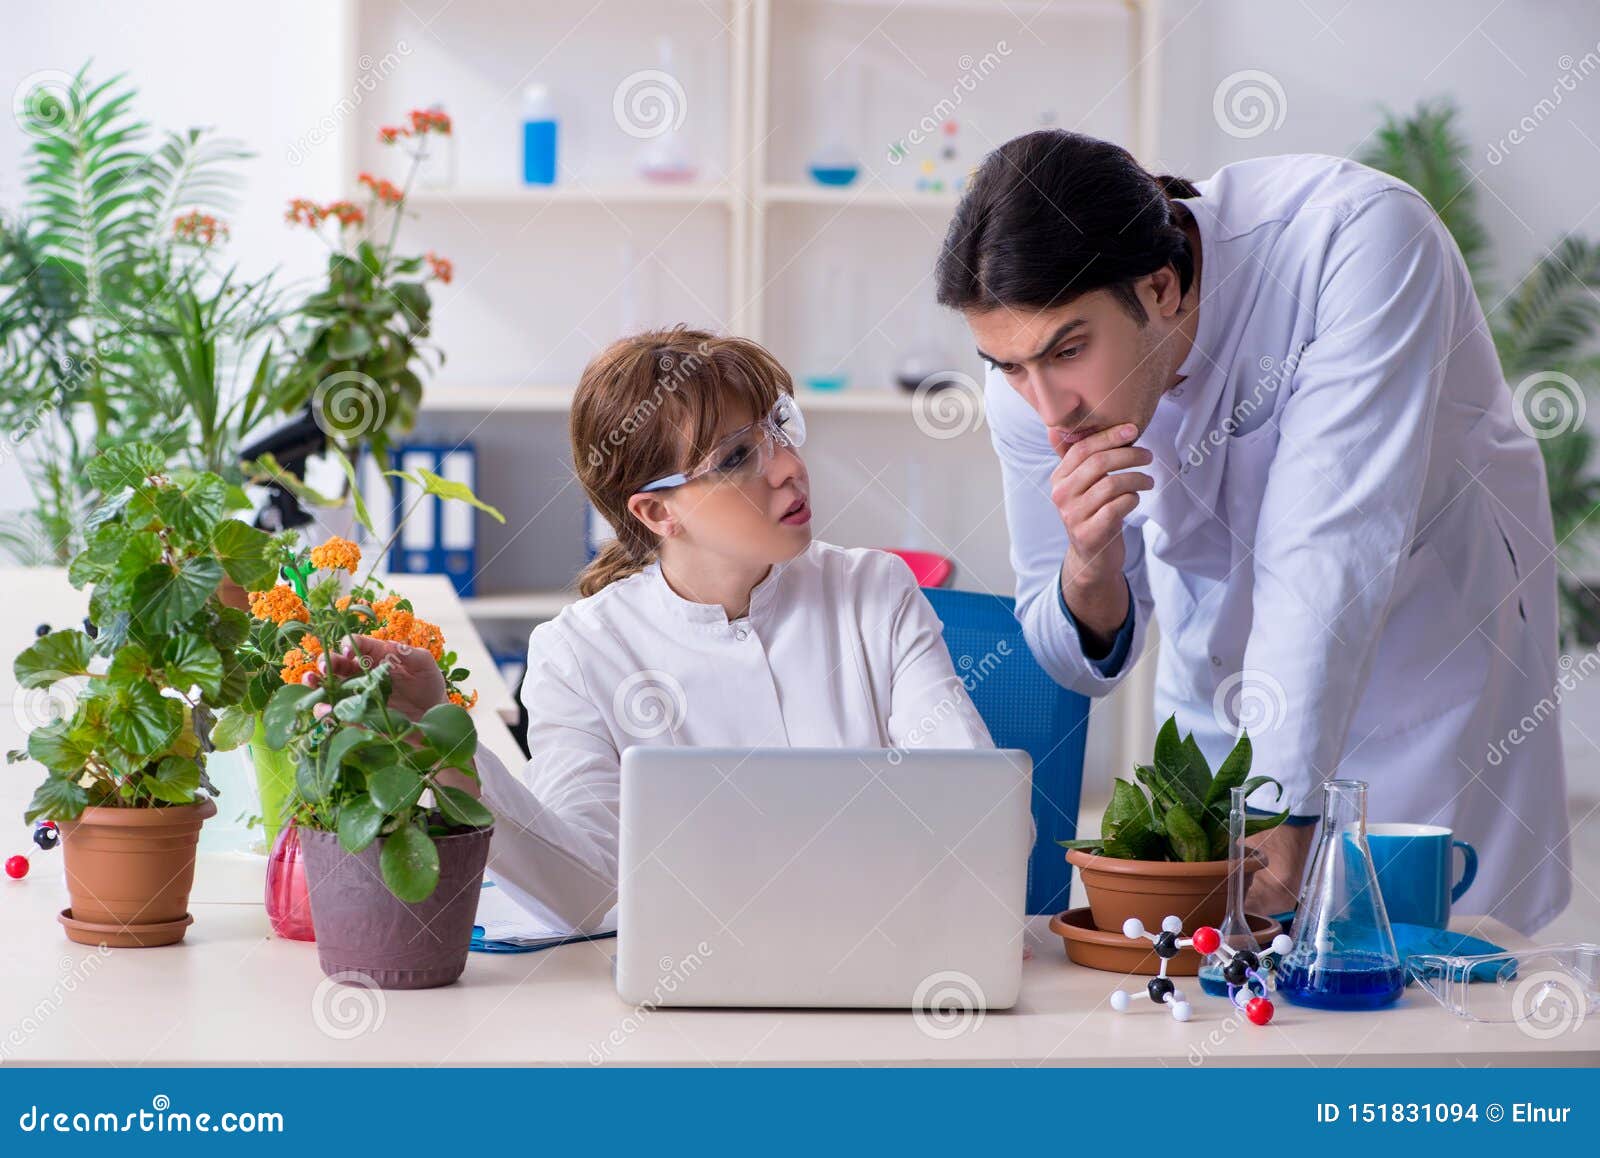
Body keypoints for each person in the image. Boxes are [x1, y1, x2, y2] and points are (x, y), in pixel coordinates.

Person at [934, 130, 1570, 934]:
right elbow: (1070, 659)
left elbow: (1328, 557)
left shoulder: (1356, 239)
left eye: (1069, 349)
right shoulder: (1031, 387)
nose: (1047, 408)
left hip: (1427, 672)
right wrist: (1089, 569)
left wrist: (1283, 814)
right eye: (1009, 366)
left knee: (1433, 988)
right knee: (1229, 1011)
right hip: (1219, 701)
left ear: (1161, 286)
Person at [316, 328, 993, 935]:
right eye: (737, 458)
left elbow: (988, 815)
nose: (788, 465)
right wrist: (445, 743)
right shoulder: (579, 654)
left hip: (886, 974)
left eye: (779, 428)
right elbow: (583, 893)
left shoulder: (873, 592)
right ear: (657, 511)